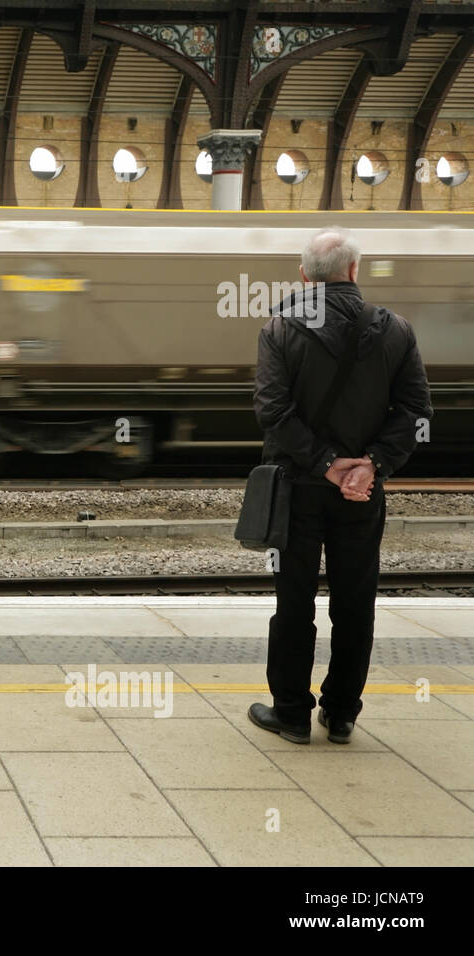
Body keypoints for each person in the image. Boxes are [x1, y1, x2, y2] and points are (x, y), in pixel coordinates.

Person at [249, 229, 432, 744]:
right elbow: (417, 412)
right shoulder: (395, 329)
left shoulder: (280, 328)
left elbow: (272, 413)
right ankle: (342, 713)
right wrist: (369, 466)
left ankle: (290, 713)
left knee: (294, 602)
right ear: (355, 271)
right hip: (362, 496)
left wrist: (325, 463)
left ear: (304, 276)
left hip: (296, 492)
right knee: (355, 602)